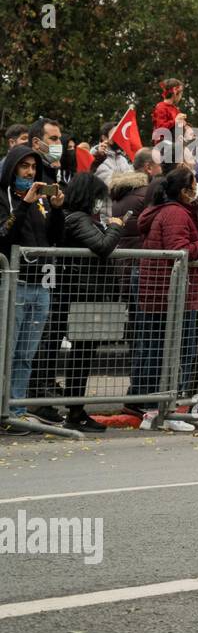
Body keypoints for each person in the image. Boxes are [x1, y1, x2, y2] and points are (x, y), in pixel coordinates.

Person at [136, 169, 198, 406]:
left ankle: (155, 404)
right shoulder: (175, 214)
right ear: (184, 190)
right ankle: (162, 406)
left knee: (158, 352)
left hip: (164, 294)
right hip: (172, 296)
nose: (197, 188)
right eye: (193, 185)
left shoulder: (170, 210)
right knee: (171, 354)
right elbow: (179, 250)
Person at [0, 145, 66, 432]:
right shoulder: (4, 199)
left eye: (32, 167)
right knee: (6, 351)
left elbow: (54, 237)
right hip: (13, 284)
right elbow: (4, 237)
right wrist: (25, 203)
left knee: (25, 355)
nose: (29, 172)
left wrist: (58, 211)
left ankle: (17, 409)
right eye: (24, 166)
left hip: (41, 286)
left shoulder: (41, 201)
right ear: (12, 168)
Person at [56, 174, 127, 433]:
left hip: (90, 296)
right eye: (99, 197)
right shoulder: (77, 218)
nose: (101, 203)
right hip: (82, 296)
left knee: (84, 355)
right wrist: (116, 226)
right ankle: (74, 412)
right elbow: (102, 245)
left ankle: (77, 410)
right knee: (81, 355)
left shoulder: (83, 219)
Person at [152, 79, 188, 145]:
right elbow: (160, 129)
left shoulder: (175, 109)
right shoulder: (160, 107)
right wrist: (175, 121)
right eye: (181, 93)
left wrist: (185, 126)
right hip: (163, 145)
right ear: (175, 92)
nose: (181, 96)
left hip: (175, 144)